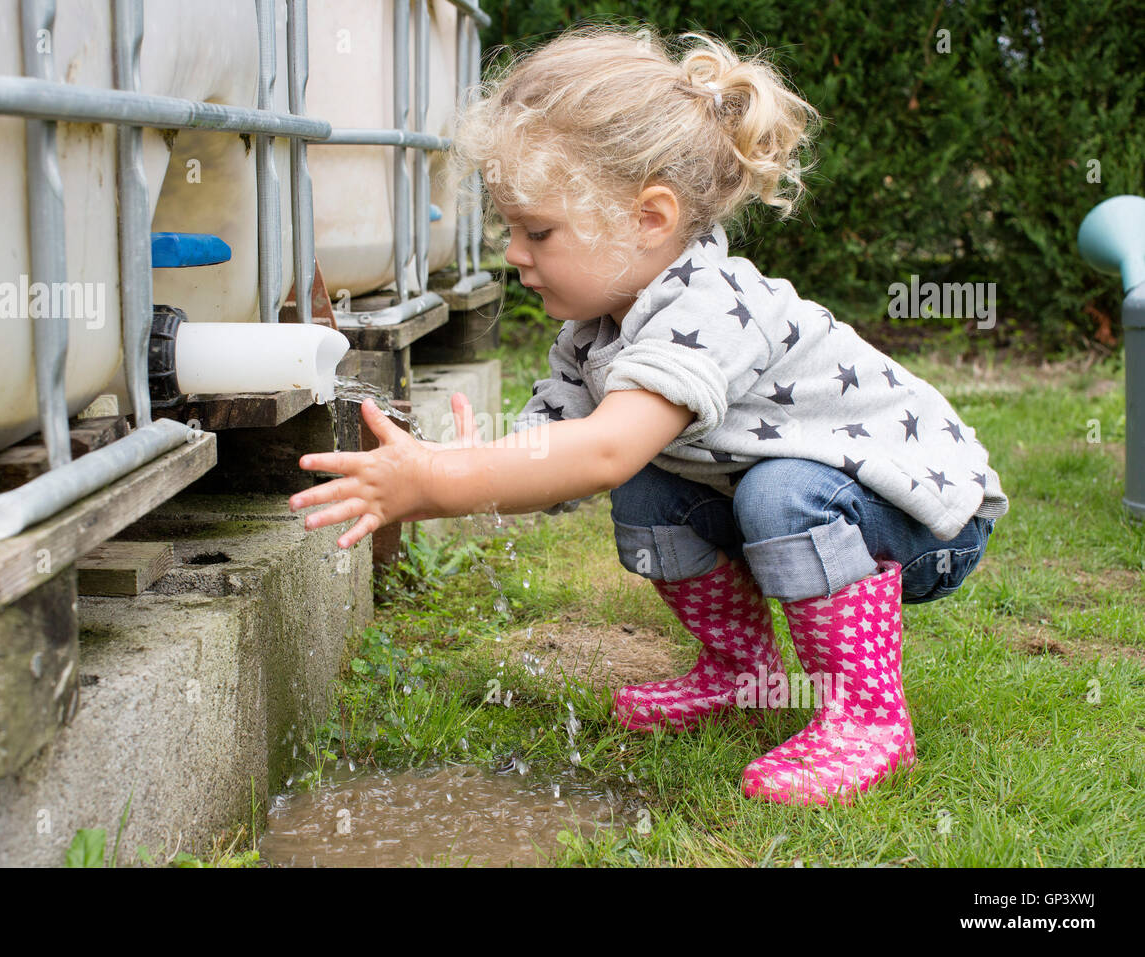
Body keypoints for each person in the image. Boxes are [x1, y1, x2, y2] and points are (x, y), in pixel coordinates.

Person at [289, 24, 1008, 807]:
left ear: (649, 217)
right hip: (817, 506)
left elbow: (600, 450)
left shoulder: (715, 306)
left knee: (777, 492)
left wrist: (441, 484)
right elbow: (556, 453)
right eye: (509, 230)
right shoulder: (597, 330)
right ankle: (745, 676)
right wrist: (460, 459)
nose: (516, 254)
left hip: (923, 523)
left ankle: (869, 719)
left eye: (538, 230)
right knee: (649, 495)